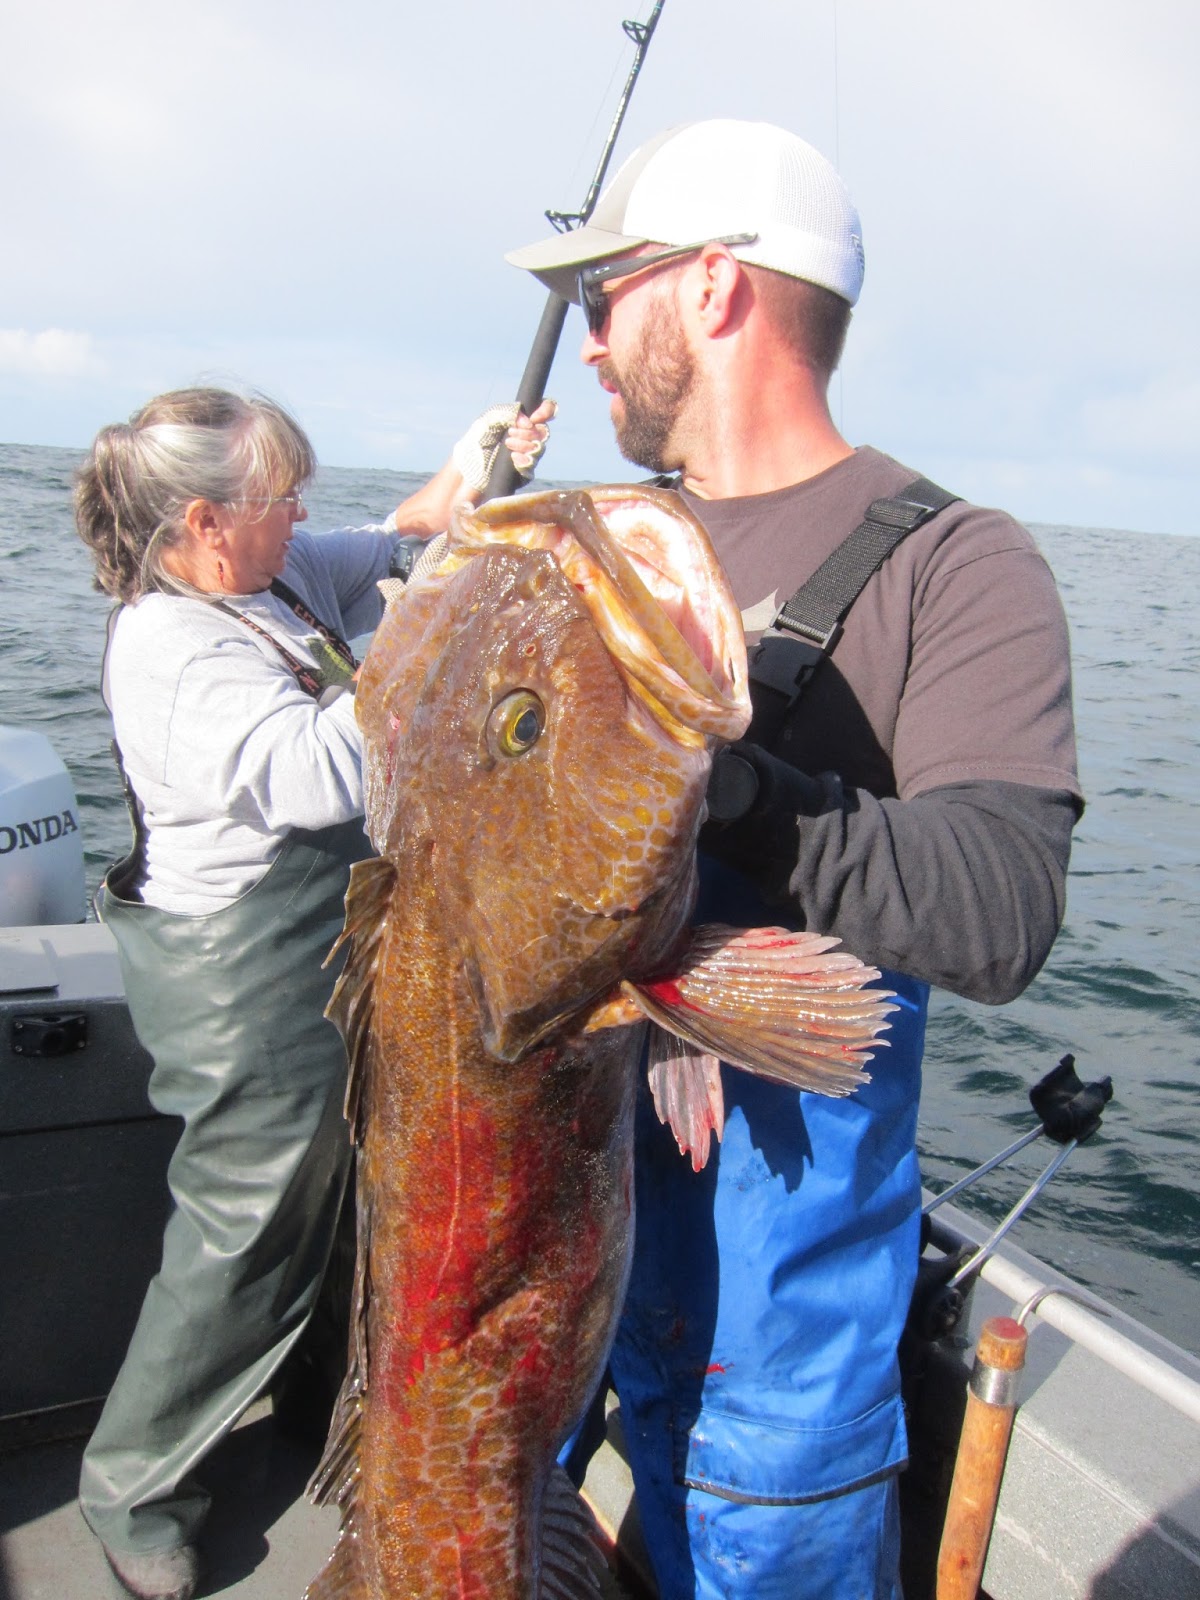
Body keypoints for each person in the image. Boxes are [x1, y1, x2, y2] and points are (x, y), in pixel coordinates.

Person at [507, 120, 1082, 1598]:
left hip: (775, 1318)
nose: (582, 349)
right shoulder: (597, 546)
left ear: (711, 288)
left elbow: (1000, 907)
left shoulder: (959, 564)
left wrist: (735, 793)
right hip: (550, 1241)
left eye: (601, 299)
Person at [72, 385, 553, 1600]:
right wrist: (431, 627)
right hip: (236, 980)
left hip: (325, 958)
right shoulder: (174, 649)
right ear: (202, 522)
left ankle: (311, 1411)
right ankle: (129, 1485)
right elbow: (321, 767)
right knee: (247, 1230)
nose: (300, 515)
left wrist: (473, 468)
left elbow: (403, 539)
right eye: (281, 497)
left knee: (352, 1202)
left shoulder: (268, 581)